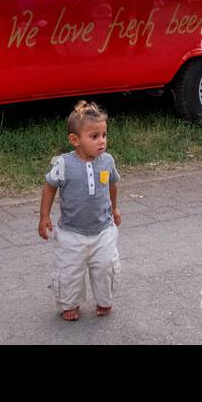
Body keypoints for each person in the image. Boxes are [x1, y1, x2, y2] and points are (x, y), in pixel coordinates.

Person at [38, 101, 121, 321]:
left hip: (103, 229)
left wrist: (115, 208)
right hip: (71, 234)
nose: (101, 141)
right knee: (69, 272)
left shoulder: (107, 161)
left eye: (104, 135)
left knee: (105, 267)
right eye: (94, 137)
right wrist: (44, 216)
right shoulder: (64, 164)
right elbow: (49, 187)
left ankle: (104, 301)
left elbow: (113, 185)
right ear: (75, 140)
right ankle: (69, 304)